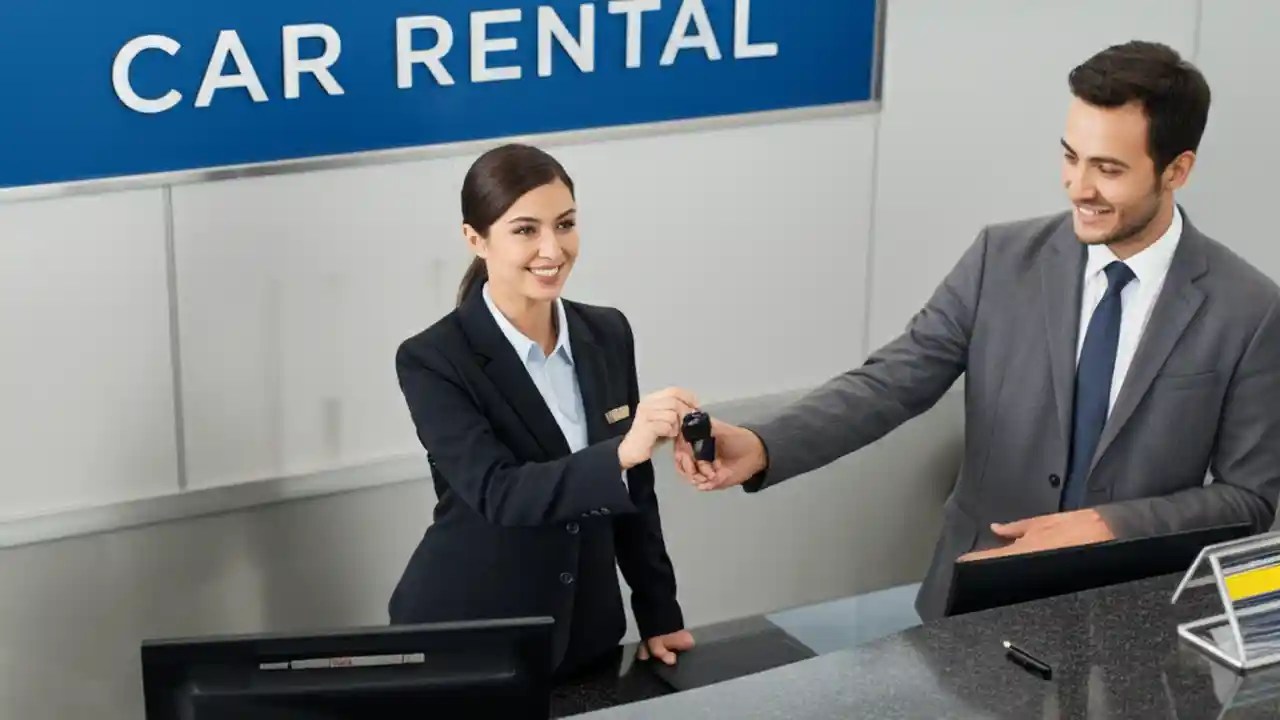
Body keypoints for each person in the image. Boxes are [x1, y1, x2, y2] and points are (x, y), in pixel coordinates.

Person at [676, 41, 1280, 621]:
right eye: (1071, 157)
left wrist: (1110, 526)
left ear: (1178, 169)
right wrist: (764, 444)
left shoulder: (1249, 310)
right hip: (976, 597)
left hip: (1136, 616)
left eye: (1109, 169)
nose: (1078, 188)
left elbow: (1249, 500)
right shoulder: (1001, 258)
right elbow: (890, 383)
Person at [389, 143, 696, 677]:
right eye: (525, 230)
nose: (552, 249)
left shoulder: (607, 331)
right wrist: (621, 452)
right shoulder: (433, 358)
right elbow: (499, 492)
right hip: (473, 640)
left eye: (566, 224)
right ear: (475, 239)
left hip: (588, 634)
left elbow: (635, 494)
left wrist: (658, 611)